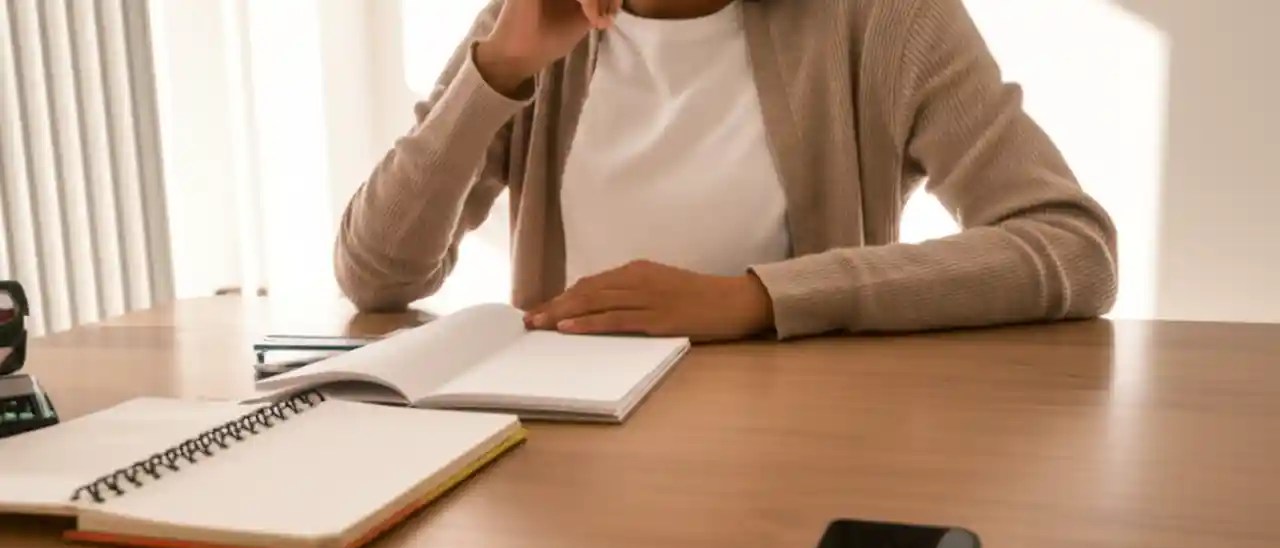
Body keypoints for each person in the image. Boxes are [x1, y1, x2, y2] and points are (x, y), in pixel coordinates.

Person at [335, 0, 1117, 341]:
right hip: (563, 468)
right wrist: (498, 67)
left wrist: (752, 301)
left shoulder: (883, 15)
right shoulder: (530, 22)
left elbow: (1071, 249)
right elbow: (376, 276)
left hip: (801, 460)